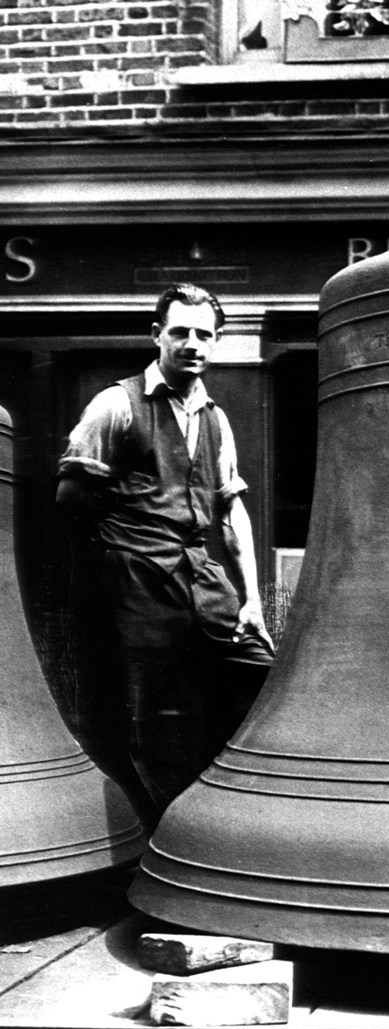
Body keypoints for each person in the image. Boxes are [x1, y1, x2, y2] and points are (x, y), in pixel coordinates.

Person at [56, 284, 274, 827]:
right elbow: (72, 496)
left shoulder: (216, 419)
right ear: (158, 336)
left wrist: (251, 602)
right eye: (180, 331)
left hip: (202, 578)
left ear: (217, 343)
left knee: (265, 680)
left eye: (204, 334)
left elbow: (231, 512)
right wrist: (124, 546)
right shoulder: (116, 405)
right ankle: (162, 843)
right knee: (147, 723)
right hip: (134, 579)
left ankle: (225, 822)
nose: (192, 343)